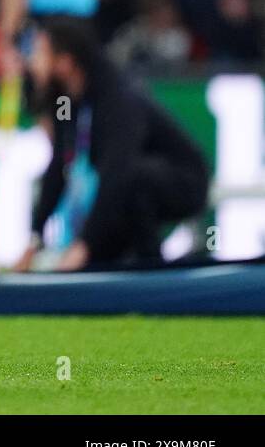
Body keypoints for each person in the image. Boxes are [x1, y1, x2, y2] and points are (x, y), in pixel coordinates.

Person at [12, 18, 210, 271]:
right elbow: (58, 169)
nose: (33, 62)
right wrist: (34, 239)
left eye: (40, 52)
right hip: (129, 185)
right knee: (94, 265)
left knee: (133, 180)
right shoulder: (67, 101)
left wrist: (83, 245)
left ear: (65, 62)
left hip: (183, 182)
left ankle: (151, 264)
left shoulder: (118, 99)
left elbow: (117, 173)